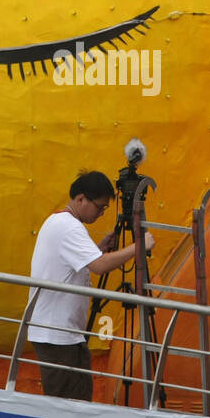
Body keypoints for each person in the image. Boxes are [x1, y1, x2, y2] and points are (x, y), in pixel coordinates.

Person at [28, 170, 155, 401]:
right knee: (68, 407)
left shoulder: (59, 222)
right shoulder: (70, 227)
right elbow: (100, 266)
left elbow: (73, 265)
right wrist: (139, 246)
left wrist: (97, 247)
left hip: (62, 333)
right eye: (99, 207)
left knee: (77, 402)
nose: (101, 213)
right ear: (80, 199)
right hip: (57, 334)